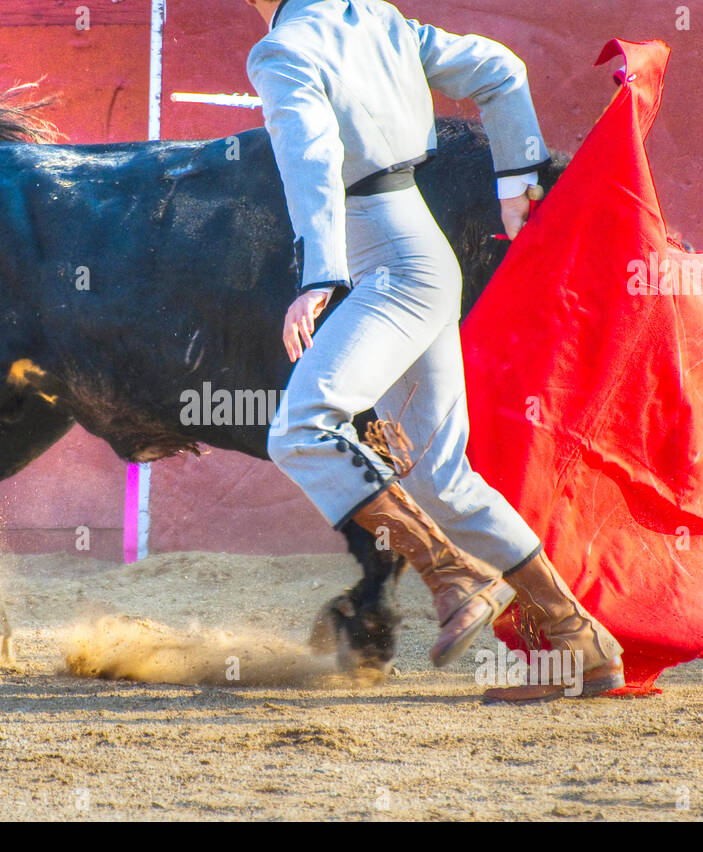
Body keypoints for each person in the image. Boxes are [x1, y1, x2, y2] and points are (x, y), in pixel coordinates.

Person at [243, 0, 624, 701]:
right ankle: (582, 642)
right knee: (438, 476)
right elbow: (500, 70)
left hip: (385, 260)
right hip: (423, 252)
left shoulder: (282, 49)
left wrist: (319, 275)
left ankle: (452, 575)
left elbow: (314, 155)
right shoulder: (380, 20)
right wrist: (518, 179)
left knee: (301, 428)